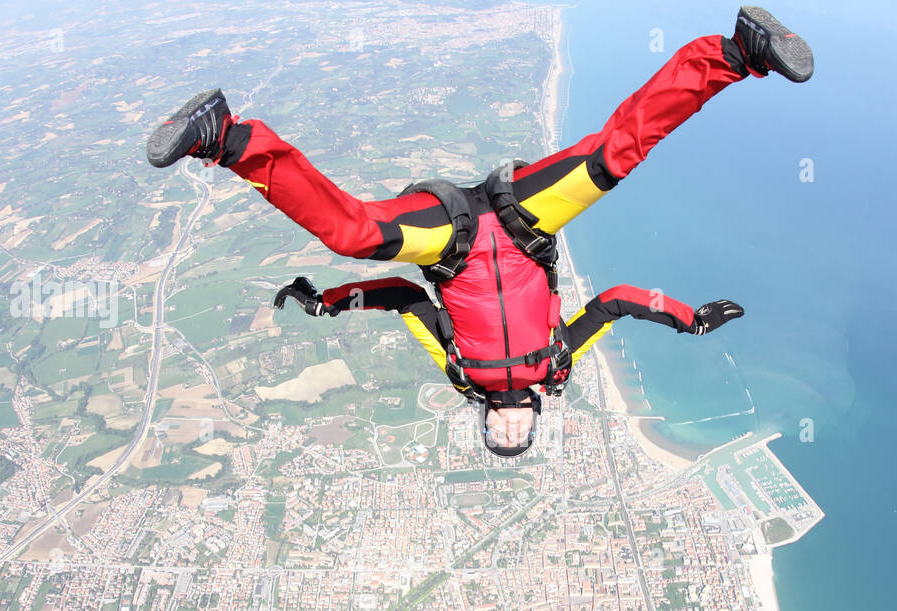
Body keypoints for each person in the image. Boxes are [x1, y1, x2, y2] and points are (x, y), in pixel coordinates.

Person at [147, 6, 813, 456]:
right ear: (537, 421)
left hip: (452, 240)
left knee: (352, 234)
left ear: (485, 421)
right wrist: (686, 320)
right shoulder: (557, 364)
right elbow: (613, 304)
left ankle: (224, 137)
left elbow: (403, 301)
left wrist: (330, 302)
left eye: (501, 432)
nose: (511, 422)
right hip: (526, 220)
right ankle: (738, 52)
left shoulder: (459, 371)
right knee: (615, 156)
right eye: (521, 432)